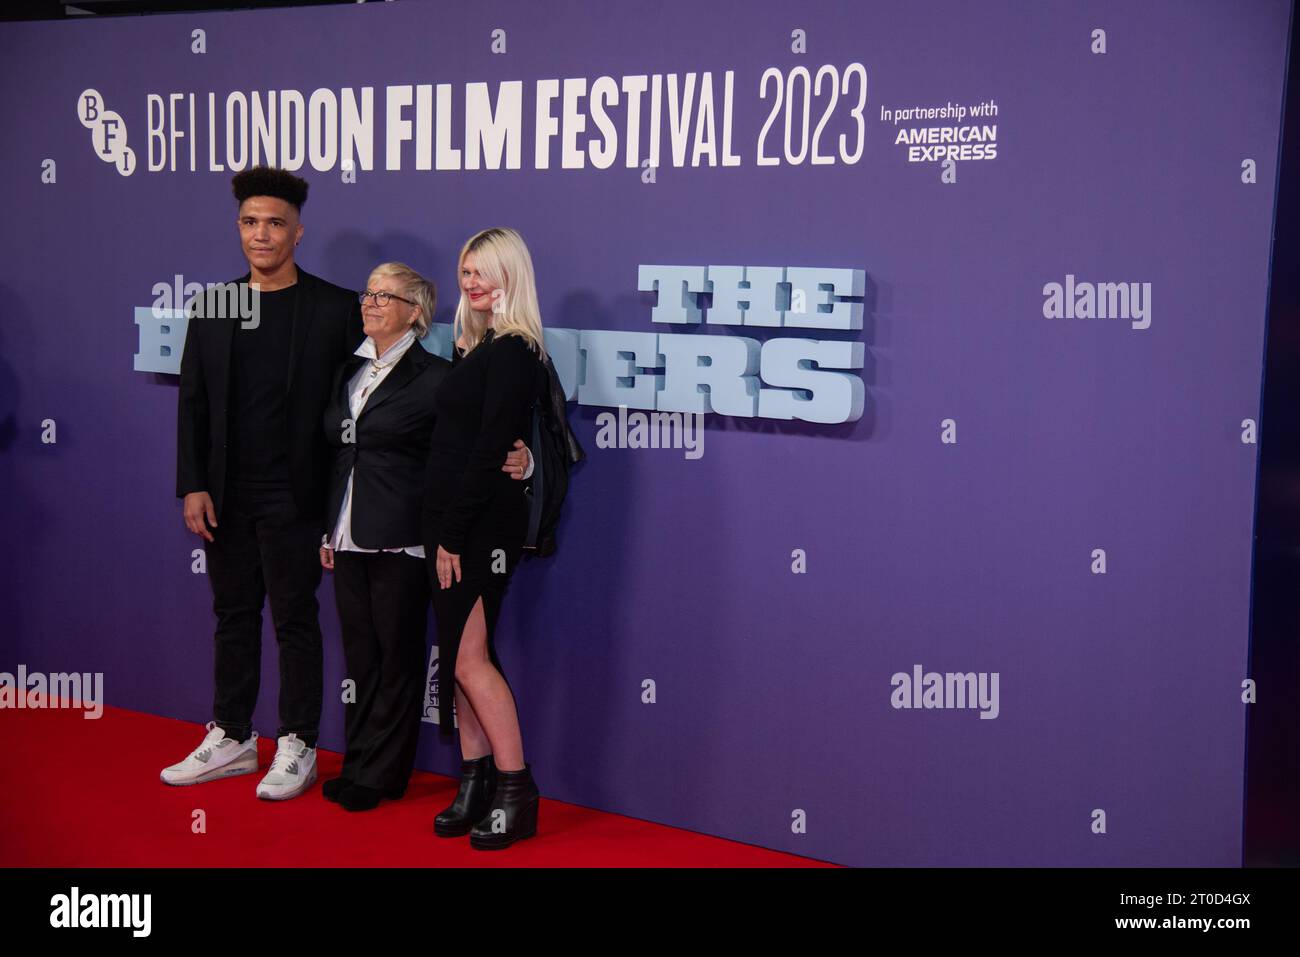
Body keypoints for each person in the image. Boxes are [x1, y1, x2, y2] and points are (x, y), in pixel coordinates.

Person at [165, 166, 362, 799]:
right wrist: (192, 483)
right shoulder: (215, 303)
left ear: (298, 233)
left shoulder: (333, 308)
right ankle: (233, 736)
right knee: (232, 615)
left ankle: (298, 741)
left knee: (295, 618)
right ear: (238, 227)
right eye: (250, 222)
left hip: (296, 493)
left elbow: (366, 400)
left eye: (274, 223)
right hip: (227, 492)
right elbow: (192, 401)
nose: (260, 234)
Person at [318, 262, 531, 812]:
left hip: (409, 536)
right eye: (367, 292)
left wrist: (525, 459)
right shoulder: (349, 370)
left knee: (400, 658)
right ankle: (361, 762)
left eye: (384, 296)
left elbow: (474, 445)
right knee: (361, 658)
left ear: (416, 312)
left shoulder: (440, 376)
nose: (369, 303)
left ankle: (384, 774)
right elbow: (344, 455)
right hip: (348, 532)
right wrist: (330, 524)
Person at [423, 227, 550, 850]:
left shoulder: (517, 350)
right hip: (450, 519)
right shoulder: (475, 348)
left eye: (485, 271)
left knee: (470, 660)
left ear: (512, 276)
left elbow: (488, 448)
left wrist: (450, 532)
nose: (472, 282)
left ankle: (514, 789)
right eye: (465, 271)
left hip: (475, 526)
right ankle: (473, 781)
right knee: (458, 659)